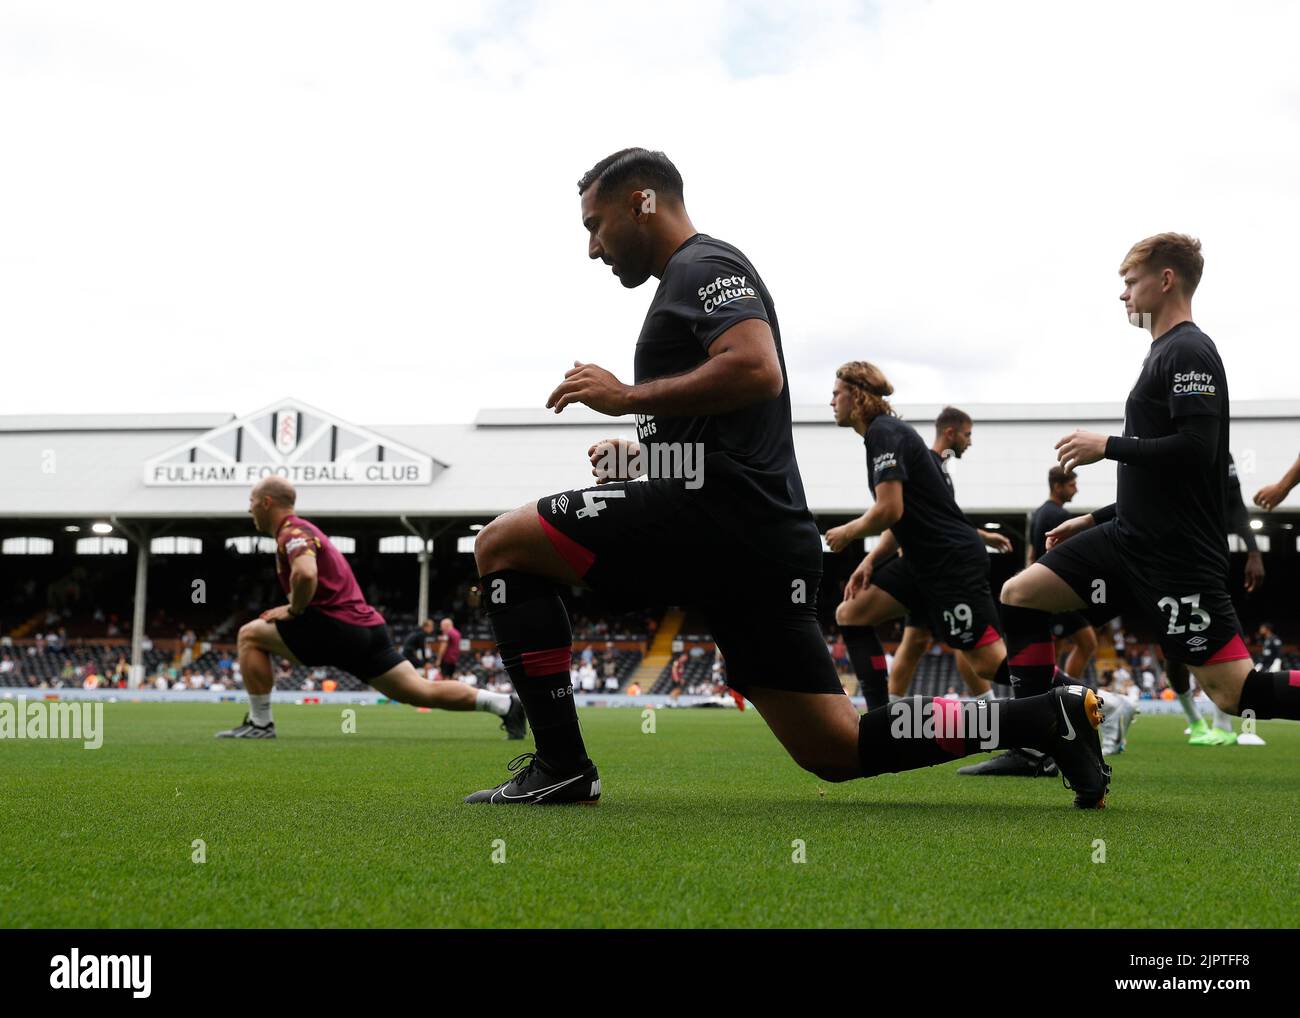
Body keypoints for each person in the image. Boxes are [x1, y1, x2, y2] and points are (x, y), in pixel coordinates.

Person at [462, 147, 1107, 806]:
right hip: (752, 541)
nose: (594, 248)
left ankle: (562, 765)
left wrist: (627, 397)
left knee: (499, 544)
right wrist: (637, 455)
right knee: (836, 748)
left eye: (595, 225)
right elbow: (726, 430)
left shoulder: (701, 266)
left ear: (641, 203)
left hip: (716, 521)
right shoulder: (689, 278)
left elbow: (755, 370)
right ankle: (1040, 717)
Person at [1000, 232, 1300, 750]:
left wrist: (1108, 445)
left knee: (1234, 693)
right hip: (1126, 538)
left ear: (1166, 280)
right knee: (1020, 595)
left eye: (1130, 281)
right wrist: (1093, 520)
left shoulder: (1189, 350)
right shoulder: (1162, 352)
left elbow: (1197, 451)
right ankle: (1035, 745)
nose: (1123, 294)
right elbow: (1159, 477)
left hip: (1175, 555)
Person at [827, 367, 1063, 781]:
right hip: (921, 562)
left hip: (948, 563)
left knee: (987, 663)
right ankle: (881, 723)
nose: (832, 400)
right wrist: (869, 562)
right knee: (852, 614)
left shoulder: (884, 433)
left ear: (857, 396)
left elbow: (891, 511)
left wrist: (848, 533)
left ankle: (1085, 701)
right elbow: (905, 518)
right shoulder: (884, 437)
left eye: (836, 393)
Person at [216, 476, 525, 739]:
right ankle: (505, 705)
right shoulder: (304, 530)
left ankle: (260, 723)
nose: (249, 508)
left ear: (267, 502)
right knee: (418, 690)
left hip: (334, 627)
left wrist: (294, 609)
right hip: (366, 628)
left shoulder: (292, 532)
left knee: (249, 634)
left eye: (252, 500)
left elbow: (306, 573)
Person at [877, 406, 1012, 708]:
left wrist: (984, 536)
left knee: (949, 643)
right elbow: (901, 518)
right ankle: (889, 713)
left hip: (934, 569)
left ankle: (988, 710)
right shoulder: (924, 464)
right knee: (923, 644)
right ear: (950, 432)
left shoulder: (942, 471)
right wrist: (871, 560)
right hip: (931, 571)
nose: (970, 441)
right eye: (967, 434)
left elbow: (943, 524)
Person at [1167, 453, 1267, 745]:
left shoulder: (1220, 452)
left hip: (1209, 559)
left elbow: (1235, 504)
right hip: (1167, 558)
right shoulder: (1160, 446)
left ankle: (1227, 724)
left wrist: (1253, 550)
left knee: (1228, 632)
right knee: (1173, 649)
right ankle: (1195, 722)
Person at [1027, 466, 1098, 682]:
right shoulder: (1059, 516)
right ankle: (1063, 697)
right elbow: (1067, 558)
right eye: (1072, 485)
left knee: (1064, 648)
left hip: (1046, 592)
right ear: (1057, 487)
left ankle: (1059, 696)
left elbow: (1031, 556)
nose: (1076, 490)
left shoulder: (1038, 513)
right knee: (1081, 645)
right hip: (1057, 592)